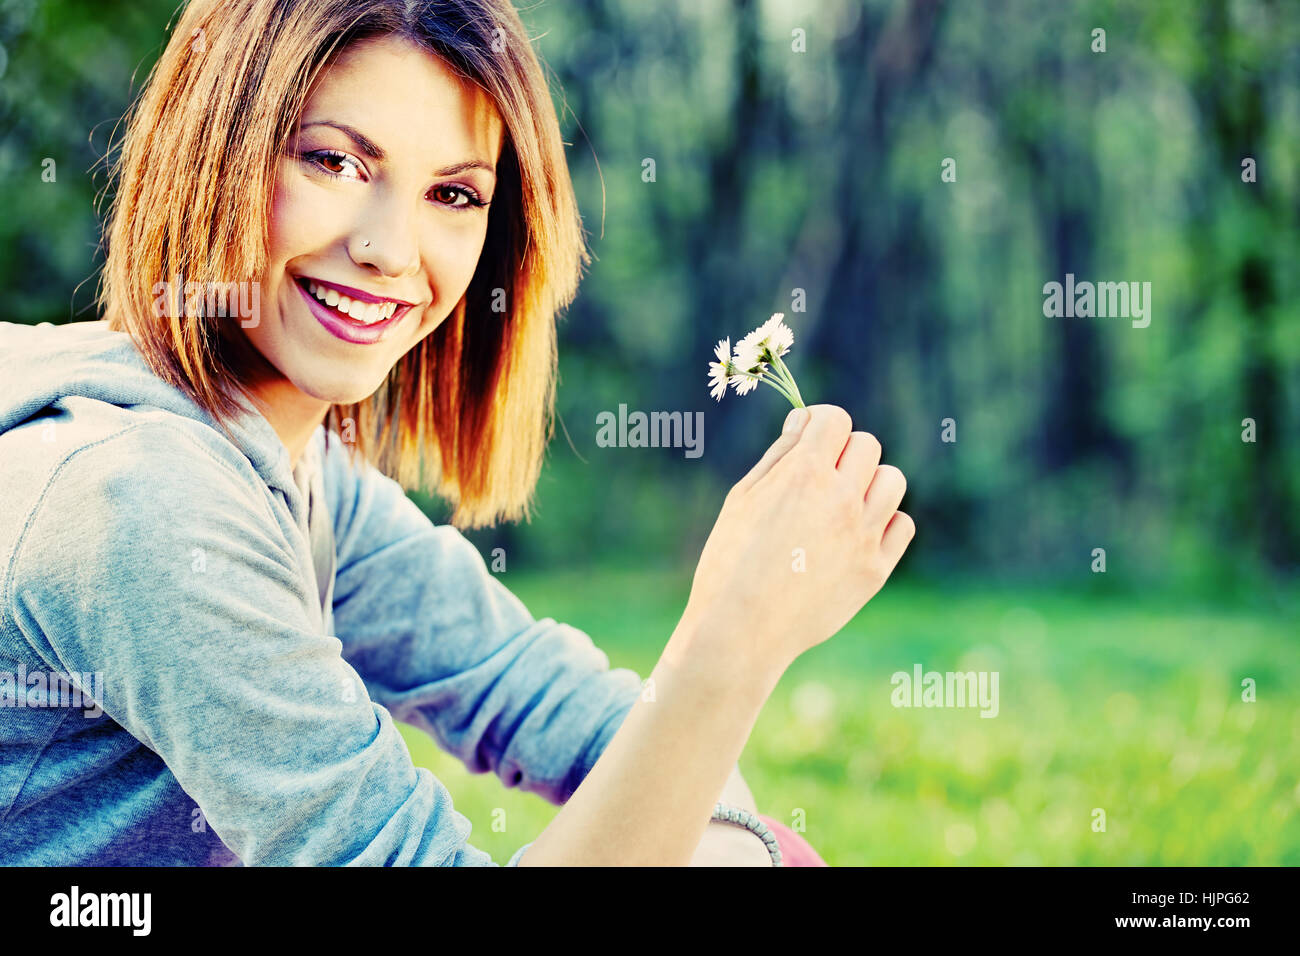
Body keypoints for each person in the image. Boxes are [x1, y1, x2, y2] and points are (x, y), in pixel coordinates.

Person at [0, 0, 912, 866]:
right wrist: (735, 638)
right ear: (213, 149)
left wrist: (733, 841)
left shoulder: (298, 471)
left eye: (454, 194)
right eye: (334, 163)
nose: (393, 249)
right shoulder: (139, 499)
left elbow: (548, 700)